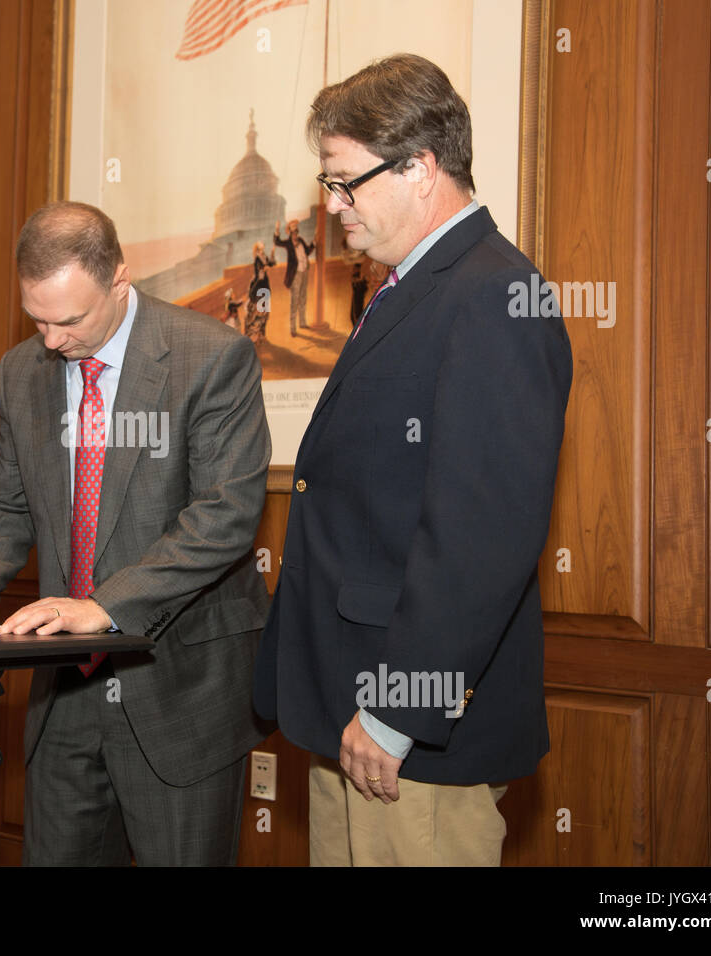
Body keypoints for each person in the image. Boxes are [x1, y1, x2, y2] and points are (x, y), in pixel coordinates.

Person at [253, 53, 573, 866]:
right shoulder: (414, 286)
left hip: (407, 734)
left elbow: (482, 535)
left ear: (422, 167)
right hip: (351, 712)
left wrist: (398, 710)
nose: (331, 208)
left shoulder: (494, 293)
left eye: (344, 182)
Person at [0, 201, 271, 866]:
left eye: (70, 320)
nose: (52, 340)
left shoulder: (211, 358)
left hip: (180, 688)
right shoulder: (21, 371)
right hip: (65, 692)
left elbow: (223, 516)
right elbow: (8, 501)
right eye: (38, 319)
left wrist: (106, 607)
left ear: (120, 280)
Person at [274, 219, 316, 335]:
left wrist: (313, 243)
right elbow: (276, 242)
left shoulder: (301, 241)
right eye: (293, 232)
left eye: (296, 232)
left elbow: (307, 251)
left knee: (303, 298)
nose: (295, 234)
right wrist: (277, 230)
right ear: (290, 233)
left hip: (304, 272)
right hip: (295, 274)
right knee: (294, 301)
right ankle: (293, 328)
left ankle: (302, 323)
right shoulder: (288, 243)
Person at [244, 240, 276, 344]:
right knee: (260, 313)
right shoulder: (258, 259)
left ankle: (262, 335)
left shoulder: (263, 256)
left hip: (265, 287)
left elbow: (272, 263)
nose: (263, 245)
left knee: (265, 313)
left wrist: (272, 254)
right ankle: (256, 336)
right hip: (260, 288)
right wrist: (264, 270)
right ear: (258, 249)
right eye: (261, 245)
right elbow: (260, 275)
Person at [349, 261, 368, 329]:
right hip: (355, 297)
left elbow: (364, 289)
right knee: (352, 316)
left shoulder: (360, 278)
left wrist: (360, 280)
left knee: (357, 316)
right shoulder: (355, 277)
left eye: (354, 269)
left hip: (358, 298)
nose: (352, 270)